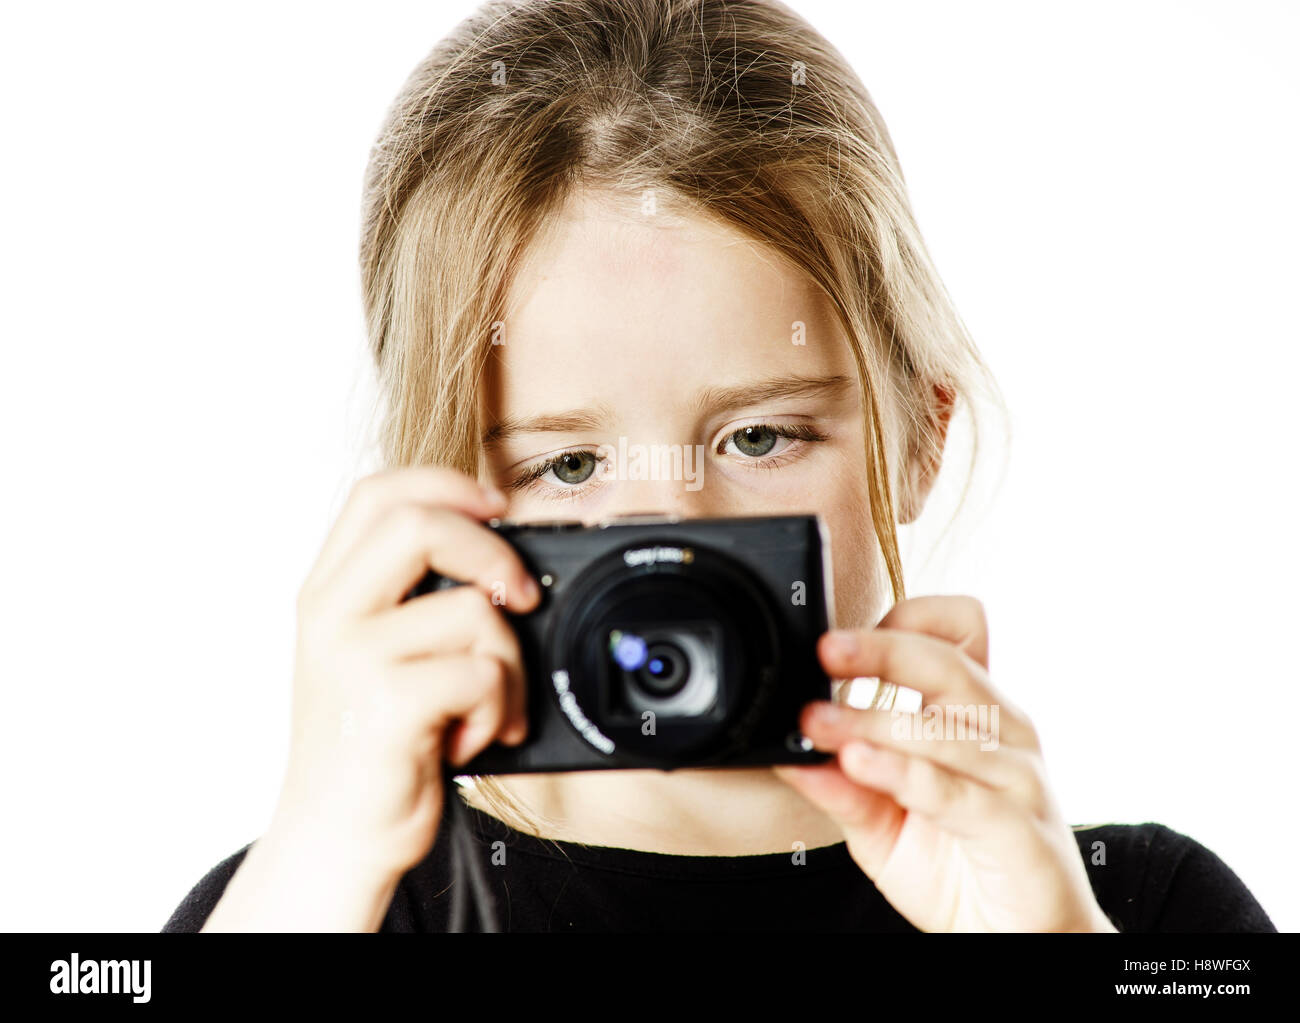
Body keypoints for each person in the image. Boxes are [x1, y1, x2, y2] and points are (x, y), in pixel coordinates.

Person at [162, 0, 1276, 933]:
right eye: (568, 462)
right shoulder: (330, 895)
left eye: (757, 438)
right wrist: (311, 870)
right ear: (445, 504)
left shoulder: (1142, 911)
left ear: (919, 443)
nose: (668, 530)